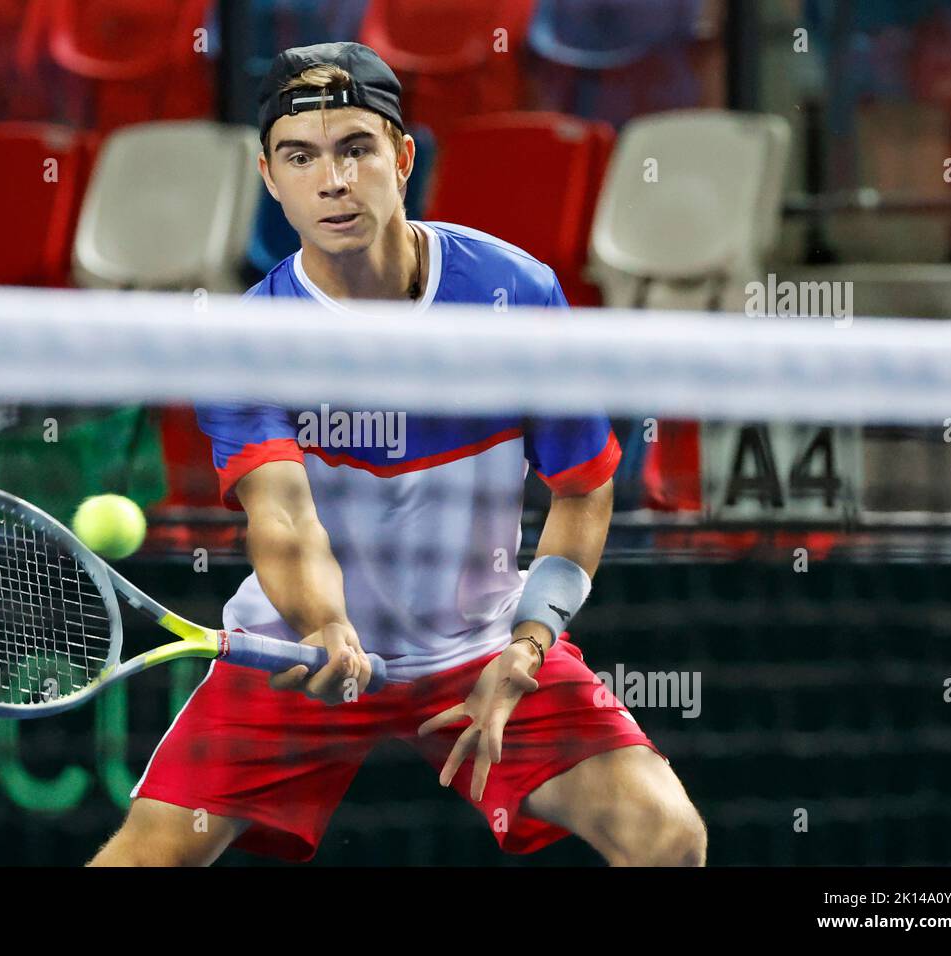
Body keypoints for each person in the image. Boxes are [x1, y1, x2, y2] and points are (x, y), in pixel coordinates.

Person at [90, 41, 706, 867]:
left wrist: (527, 648)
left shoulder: (511, 295)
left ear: (403, 156)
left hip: (481, 649)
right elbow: (282, 514)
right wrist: (326, 625)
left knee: (666, 836)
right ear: (269, 178)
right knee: (143, 861)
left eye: (355, 149)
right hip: (301, 655)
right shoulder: (248, 337)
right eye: (301, 158)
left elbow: (584, 490)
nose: (332, 181)